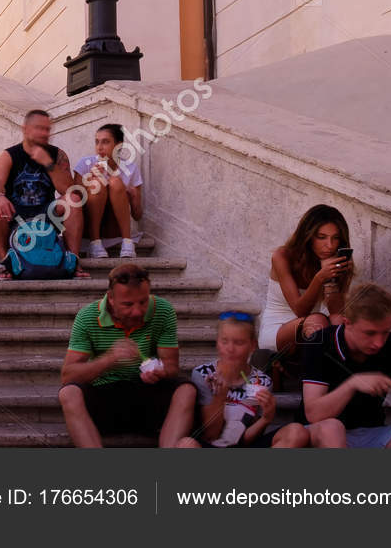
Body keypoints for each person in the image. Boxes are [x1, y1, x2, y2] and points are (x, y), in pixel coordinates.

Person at [58, 264, 196, 447]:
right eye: (128, 304)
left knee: (187, 389)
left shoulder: (163, 310)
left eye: (143, 301)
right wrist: (109, 360)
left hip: (148, 396)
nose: (138, 311)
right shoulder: (88, 317)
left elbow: (171, 367)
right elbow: (68, 376)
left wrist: (160, 372)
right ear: (111, 299)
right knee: (68, 393)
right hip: (105, 397)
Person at [303, 283, 391, 447]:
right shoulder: (320, 342)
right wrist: (353, 384)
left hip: (373, 432)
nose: (378, 343)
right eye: (370, 333)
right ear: (347, 322)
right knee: (332, 429)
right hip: (321, 431)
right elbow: (314, 414)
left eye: (385, 332)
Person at [178, 311, 308, 447]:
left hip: (244, 445)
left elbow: (245, 440)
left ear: (252, 345)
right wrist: (219, 400)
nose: (230, 349)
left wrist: (266, 418)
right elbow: (211, 435)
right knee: (186, 444)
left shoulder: (261, 381)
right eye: (224, 341)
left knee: (296, 432)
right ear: (217, 343)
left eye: (239, 342)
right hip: (210, 445)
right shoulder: (204, 375)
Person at [0, 110, 86, 279]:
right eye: (39, 128)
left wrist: (48, 163)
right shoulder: (8, 155)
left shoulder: (57, 155)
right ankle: (6, 261)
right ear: (25, 129)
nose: (44, 133)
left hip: (47, 216)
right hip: (15, 215)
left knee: (73, 199)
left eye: (47, 129)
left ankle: (73, 261)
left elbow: (68, 190)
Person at [257, 204, 351, 356]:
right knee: (317, 322)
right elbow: (300, 310)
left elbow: (336, 312)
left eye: (335, 238)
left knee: (339, 322)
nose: (330, 245)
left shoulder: (333, 262)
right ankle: (314, 376)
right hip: (278, 330)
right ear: (308, 236)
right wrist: (320, 277)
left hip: (313, 329)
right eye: (321, 237)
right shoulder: (282, 257)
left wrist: (331, 279)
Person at [72, 123, 142, 259]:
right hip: (89, 229)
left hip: (114, 229)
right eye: (97, 142)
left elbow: (138, 215)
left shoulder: (131, 168)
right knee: (97, 183)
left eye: (105, 142)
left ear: (119, 145)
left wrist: (134, 196)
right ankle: (95, 243)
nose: (99, 147)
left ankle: (127, 243)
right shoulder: (85, 164)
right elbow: (75, 204)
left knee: (115, 182)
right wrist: (89, 181)